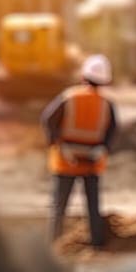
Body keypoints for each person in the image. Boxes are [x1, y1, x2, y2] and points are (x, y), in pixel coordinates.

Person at [41, 54, 117, 248]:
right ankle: (97, 243)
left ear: (83, 76)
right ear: (106, 80)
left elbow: (48, 120)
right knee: (93, 206)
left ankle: (53, 244)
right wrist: (103, 148)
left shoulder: (69, 97)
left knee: (59, 206)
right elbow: (113, 129)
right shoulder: (107, 104)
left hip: (67, 160)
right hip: (91, 161)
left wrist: (56, 143)